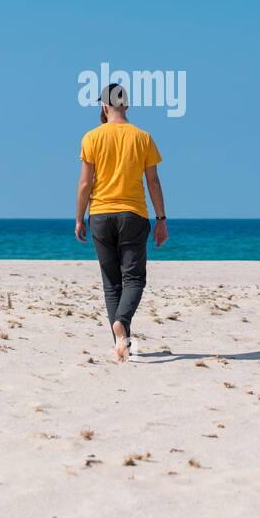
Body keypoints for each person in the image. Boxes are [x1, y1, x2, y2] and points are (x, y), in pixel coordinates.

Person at [75, 83, 168, 362]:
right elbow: (153, 181)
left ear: (104, 107)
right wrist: (161, 218)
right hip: (133, 214)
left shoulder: (91, 137)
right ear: (125, 105)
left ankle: (121, 340)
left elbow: (84, 184)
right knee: (135, 279)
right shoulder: (143, 137)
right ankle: (122, 326)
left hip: (101, 215)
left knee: (112, 283)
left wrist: (80, 217)